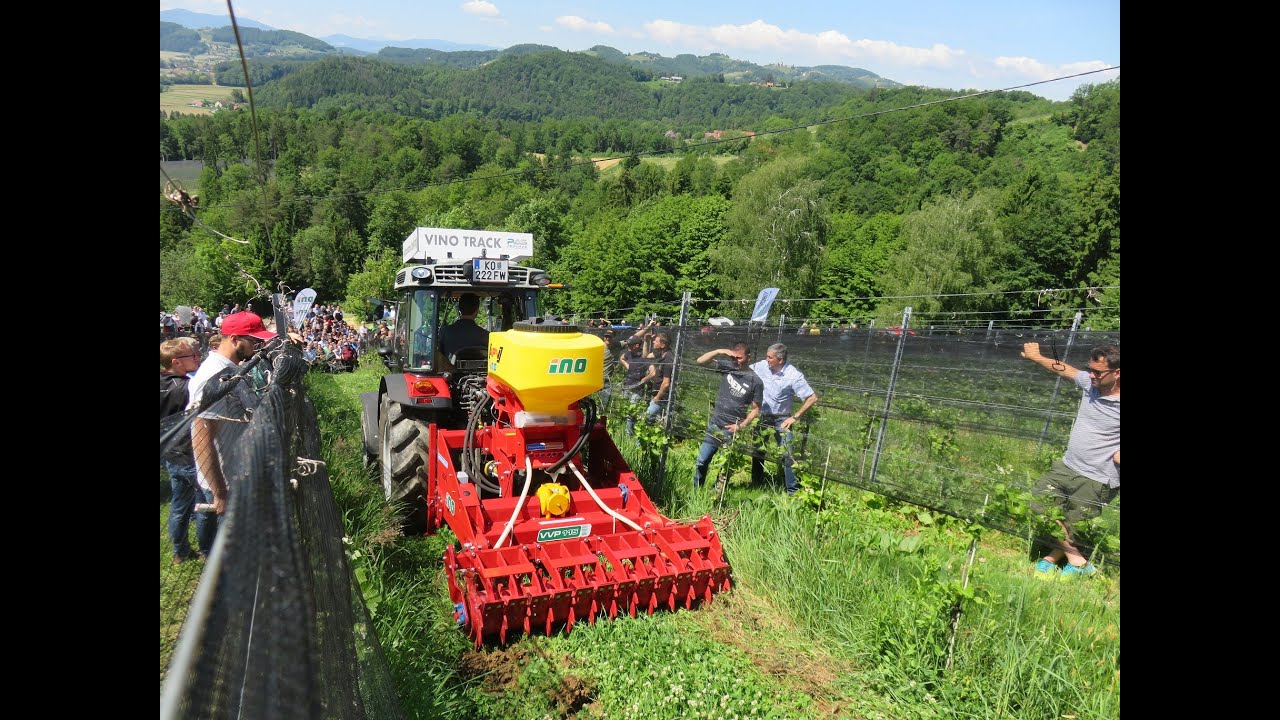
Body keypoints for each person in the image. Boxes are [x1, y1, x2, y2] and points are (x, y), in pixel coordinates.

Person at [1022, 342, 1120, 579]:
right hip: (1068, 465)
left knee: (1076, 525)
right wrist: (1036, 357)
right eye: (1091, 369)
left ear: (1117, 373)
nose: (1092, 375)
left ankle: (1053, 558)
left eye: (1098, 372)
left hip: (1099, 477)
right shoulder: (1090, 384)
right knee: (1038, 504)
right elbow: (1063, 369)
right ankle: (1078, 561)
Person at [188, 312, 275, 524]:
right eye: (253, 341)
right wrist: (220, 493)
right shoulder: (212, 377)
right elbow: (201, 438)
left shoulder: (233, 369)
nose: (257, 346)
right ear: (235, 339)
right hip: (227, 483)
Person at [750, 343, 818, 495]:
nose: (766, 360)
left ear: (780, 360)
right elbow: (745, 372)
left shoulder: (793, 375)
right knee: (757, 450)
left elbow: (812, 398)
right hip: (761, 416)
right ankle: (756, 483)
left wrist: (795, 417)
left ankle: (792, 491)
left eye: (769, 357)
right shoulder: (761, 366)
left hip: (782, 419)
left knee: (787, 454)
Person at [692, 342, 763, 488]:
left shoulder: (755, 381)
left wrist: (741, 426)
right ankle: (696, 490)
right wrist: (718, 350)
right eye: (734, 358)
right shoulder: (728, 367)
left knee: (724, 467)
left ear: (748, 357)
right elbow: (700, 361)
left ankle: (716, 494)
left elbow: (756, 409)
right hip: (715, 424)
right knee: (701, 461)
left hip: (731, 429)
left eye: (739, 358)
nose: (736, 361)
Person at [161, 338, 204, 563]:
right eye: (192, 356)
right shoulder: (186, 387)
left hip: (171, 452)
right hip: (190, 451)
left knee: (179, 503)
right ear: (176, 362)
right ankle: (208, 549)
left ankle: (180, 551)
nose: (198, 358)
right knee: (207, 500)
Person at [439, 293, 489, 362]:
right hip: (481, 372)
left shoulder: (445, 332)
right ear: (477, 311)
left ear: (459, 308)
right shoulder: (487, 336)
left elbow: (439, 357)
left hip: (451, 372)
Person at [638, 332, 673, 427]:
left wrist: (657, 398)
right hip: (657, 395)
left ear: (663, 344)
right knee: (652, 423)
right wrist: (646, 341)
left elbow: (666, 383)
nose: (653, 342)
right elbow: (646, 355)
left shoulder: (668, 359)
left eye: (656, 341)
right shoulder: (661, 353)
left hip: (661, 397)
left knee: (645, 421)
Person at [619, 335, 650, 437]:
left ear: (637, 345)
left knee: (631, 413)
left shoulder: (643, 356)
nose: (628, 346)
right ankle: (628, 431)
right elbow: (621, 358)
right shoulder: (629, 353)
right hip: (628, 385)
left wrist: (645, 378)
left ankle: (629, 435)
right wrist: (628, 366)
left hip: (637, 389)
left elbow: (653, 370)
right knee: (627, 409)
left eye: (630, 345)